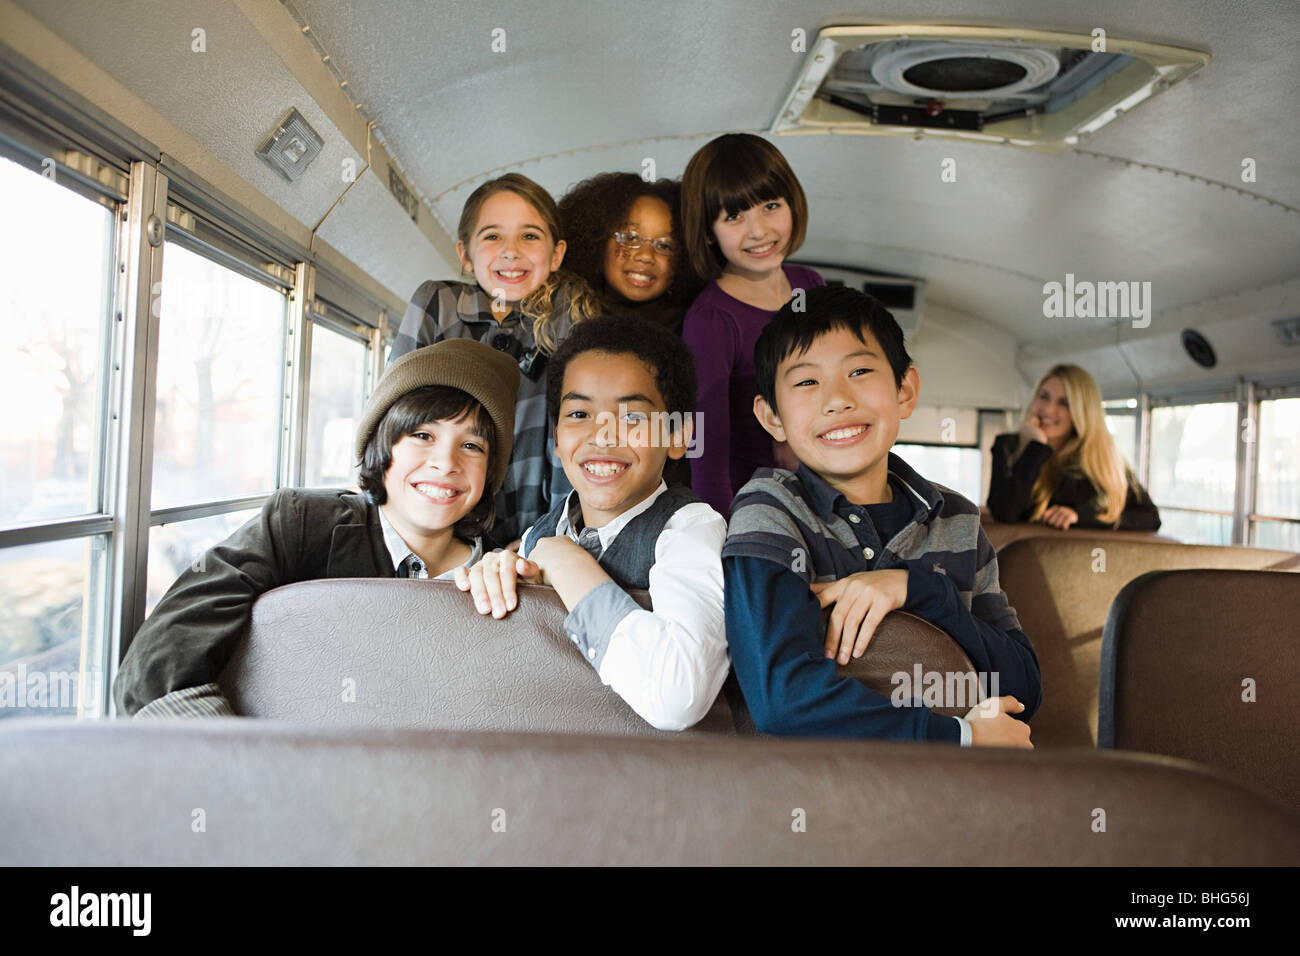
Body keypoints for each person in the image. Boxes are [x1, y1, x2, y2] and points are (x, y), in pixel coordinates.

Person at [114, 339, 520, 717]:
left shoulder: (503, 577)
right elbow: (155, 667)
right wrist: (246, 771)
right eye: (422, 434)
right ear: (383, 445)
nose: (445, 462)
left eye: (472, 446)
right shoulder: (301, 525)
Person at [723, 286, 1041, 746]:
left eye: (859, 370)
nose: (837, 399)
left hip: (950, 795)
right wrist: (961, 737)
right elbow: (782, 698)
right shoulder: (770, 508)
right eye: (807, 382)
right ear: (772, 417)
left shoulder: (957, 518)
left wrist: (920, 590)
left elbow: (1024, 690)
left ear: (905, 390)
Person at [455, 316, 728, 731]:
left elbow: (678, 698)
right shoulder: (536, 537)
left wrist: (566, 562)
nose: (602, 436)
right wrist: (497, 573)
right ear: (558, 438)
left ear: (678, 436)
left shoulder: (691, 529)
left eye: (633, 416)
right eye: (580, 413)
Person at [388, 172, 600, 545]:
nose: (511, 250)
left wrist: (551, 536)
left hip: (536, 522)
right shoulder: (438, 304)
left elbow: (580, 435)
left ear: (556, 255)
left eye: (529, 236)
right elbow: (392, 420)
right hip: (440, 517)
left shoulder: (570, 320)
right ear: (465, 254)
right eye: (492, 236)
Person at [679, 133, 825, 516]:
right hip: (756, 509)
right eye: (734, 216)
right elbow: (707, 453)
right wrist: (723, 539)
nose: (758, 231)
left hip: (822, 494)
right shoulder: (711, 321)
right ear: (709, 231)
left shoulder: (810, 284)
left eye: (771, 206)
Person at [987, 364, 1161, 531]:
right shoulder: (1007, 445)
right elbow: (1003, 512)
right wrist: (1036, 447)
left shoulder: (1102, 460)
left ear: (1082, 412)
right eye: (1043, 396)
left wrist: (1080, 516)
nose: (1048, 409)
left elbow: (1149, 518)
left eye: (1064, 403)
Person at [557, 172, 701, 335]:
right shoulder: (559, 319)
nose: (646, 255)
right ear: (597, 242)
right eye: (631, 238)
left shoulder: (697, 326)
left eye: (664, 245)